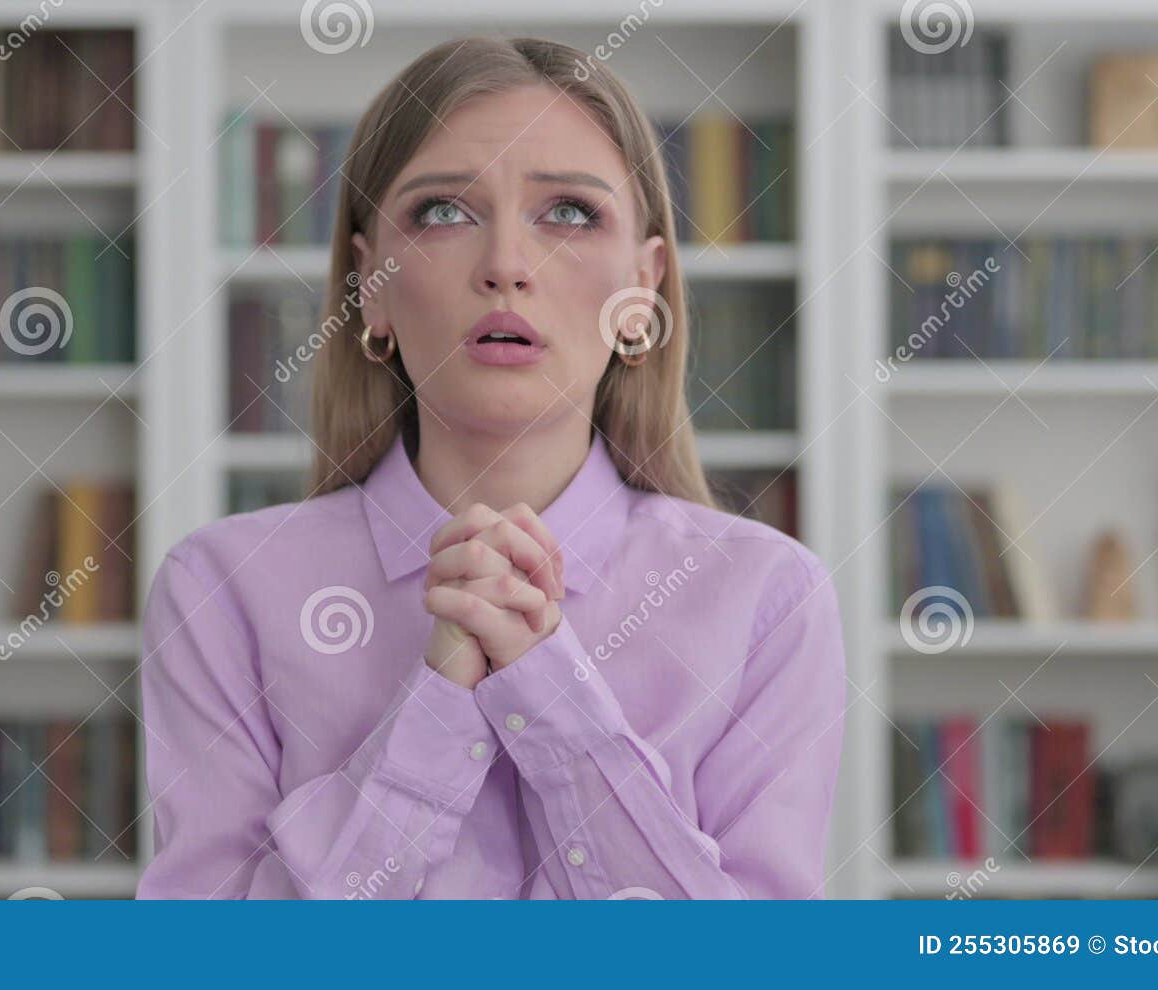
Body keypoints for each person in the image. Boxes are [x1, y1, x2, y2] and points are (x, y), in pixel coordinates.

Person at [136, 35, 845, 899]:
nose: (507, 266)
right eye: (442, 212)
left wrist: (549, 688)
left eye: (571, 214)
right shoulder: (219, 591)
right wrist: (433, 712)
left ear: (643, 292)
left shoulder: (770, 600)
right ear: (374, 288)